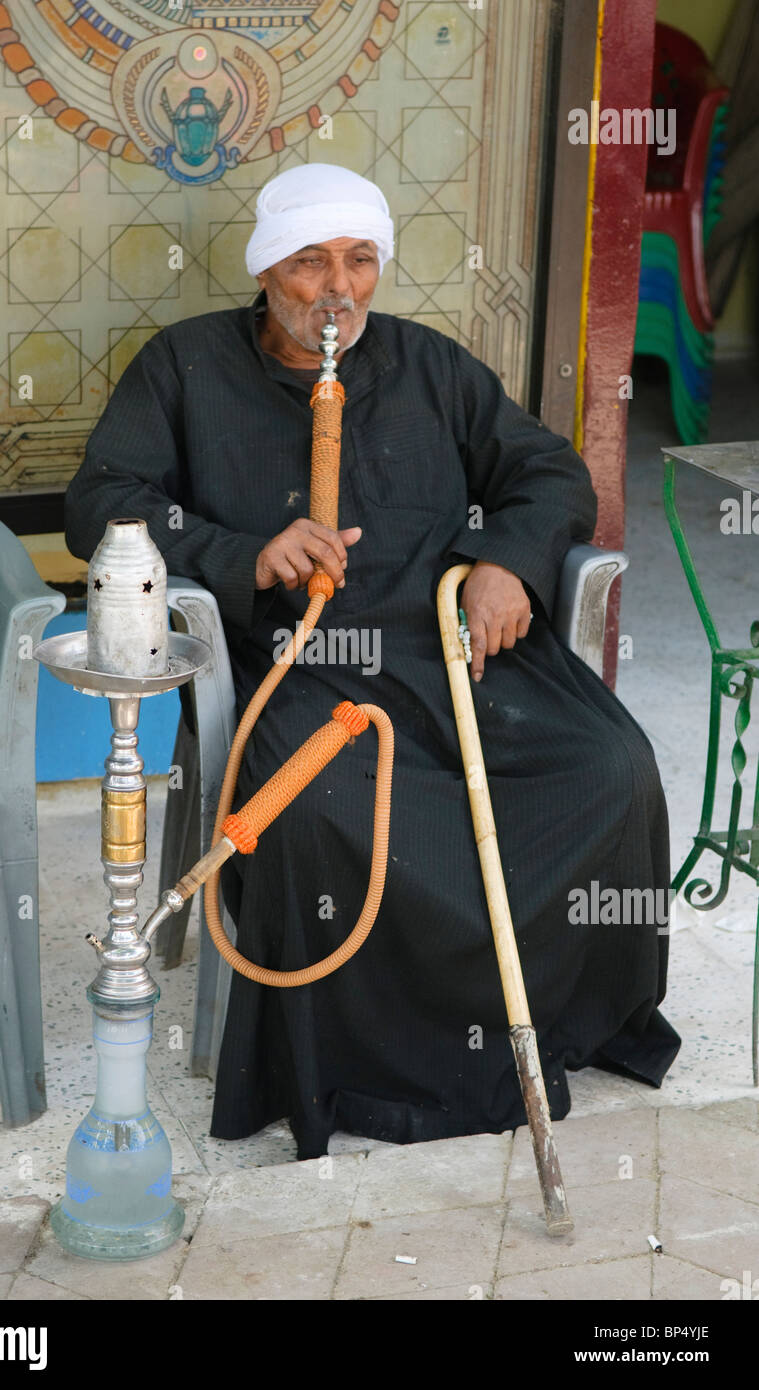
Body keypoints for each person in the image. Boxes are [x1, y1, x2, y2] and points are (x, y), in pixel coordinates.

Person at [65, 163, 680, 1160]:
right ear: (267, 270)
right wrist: (238, 554)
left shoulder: (431, 368)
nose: (336, 287)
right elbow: (104, 501)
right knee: (317, 816)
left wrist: (504, 562)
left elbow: (545, 470)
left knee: (607, 770)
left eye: (358, 261)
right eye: (310, 263)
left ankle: (560, 1020)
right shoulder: (184, 366)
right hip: (295, 662)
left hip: (455, 650)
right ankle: (367, 1066)